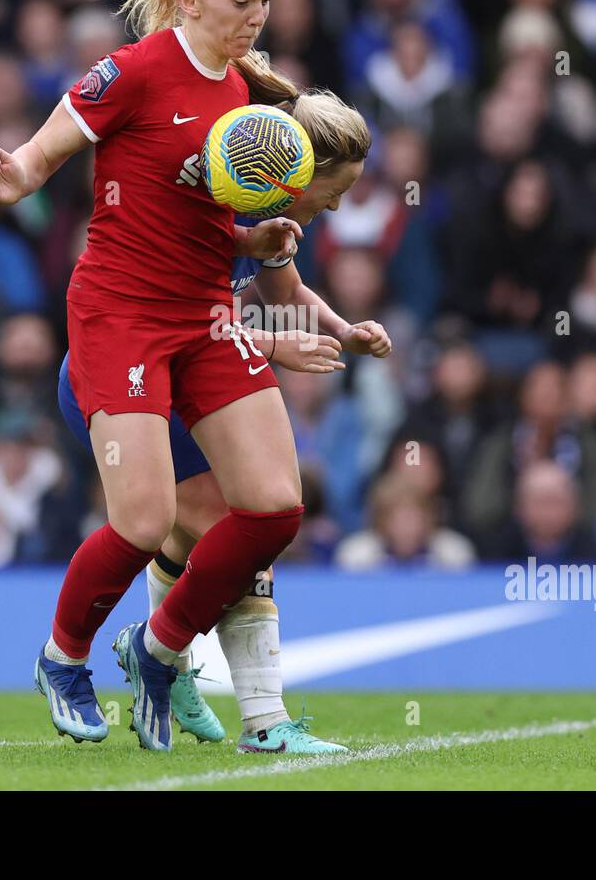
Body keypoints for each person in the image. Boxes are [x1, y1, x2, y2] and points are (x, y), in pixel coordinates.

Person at [0, 0, 372, 752]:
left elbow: (203, 216)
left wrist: (256, 238)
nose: (258, 16)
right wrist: (13, 177)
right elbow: (41, 157)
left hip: (205, 315)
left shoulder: (249, 94)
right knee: (142, 519)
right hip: (120, 315)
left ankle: (159, 650)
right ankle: (63, 657)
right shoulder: (129, 73)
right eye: (242, 2)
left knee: (274, 506)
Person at [58, 87, 381, 752]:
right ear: (298, 173)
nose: (336, 207)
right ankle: (225, 697)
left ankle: (167, 660)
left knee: (239, 528)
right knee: (232, 532)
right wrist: (272, 344)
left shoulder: (266, 217)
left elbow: (283, 292)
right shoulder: (200, 204)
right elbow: (175, 328)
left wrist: (343, 331)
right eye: (335, 190)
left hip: (192, 383)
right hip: (134, 376)